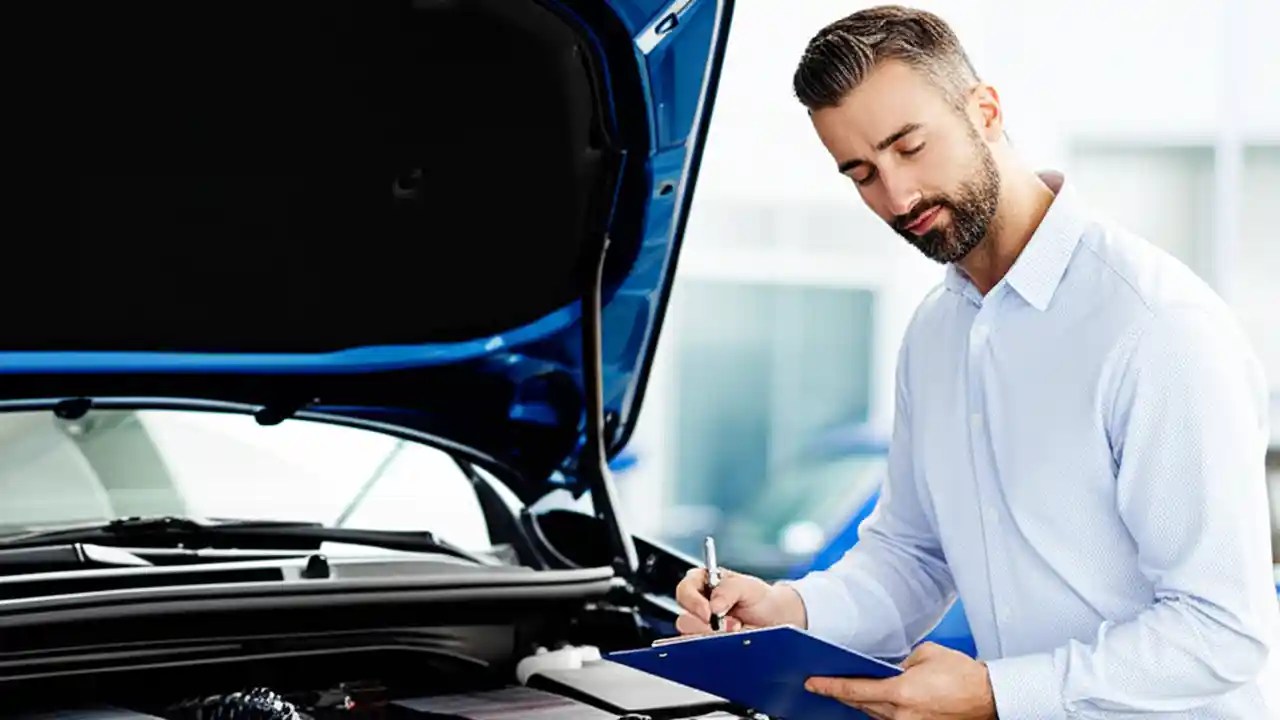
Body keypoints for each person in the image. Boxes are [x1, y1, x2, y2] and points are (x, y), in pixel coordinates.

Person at [674, 5, 1279, 719]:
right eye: (861, 173)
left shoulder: (1155, 327)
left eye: (909, 147)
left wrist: (999, 692)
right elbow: (911, 555)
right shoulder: (936, 333)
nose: (895, 196)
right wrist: (792, 609)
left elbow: (1224, 634)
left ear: (985, 110)